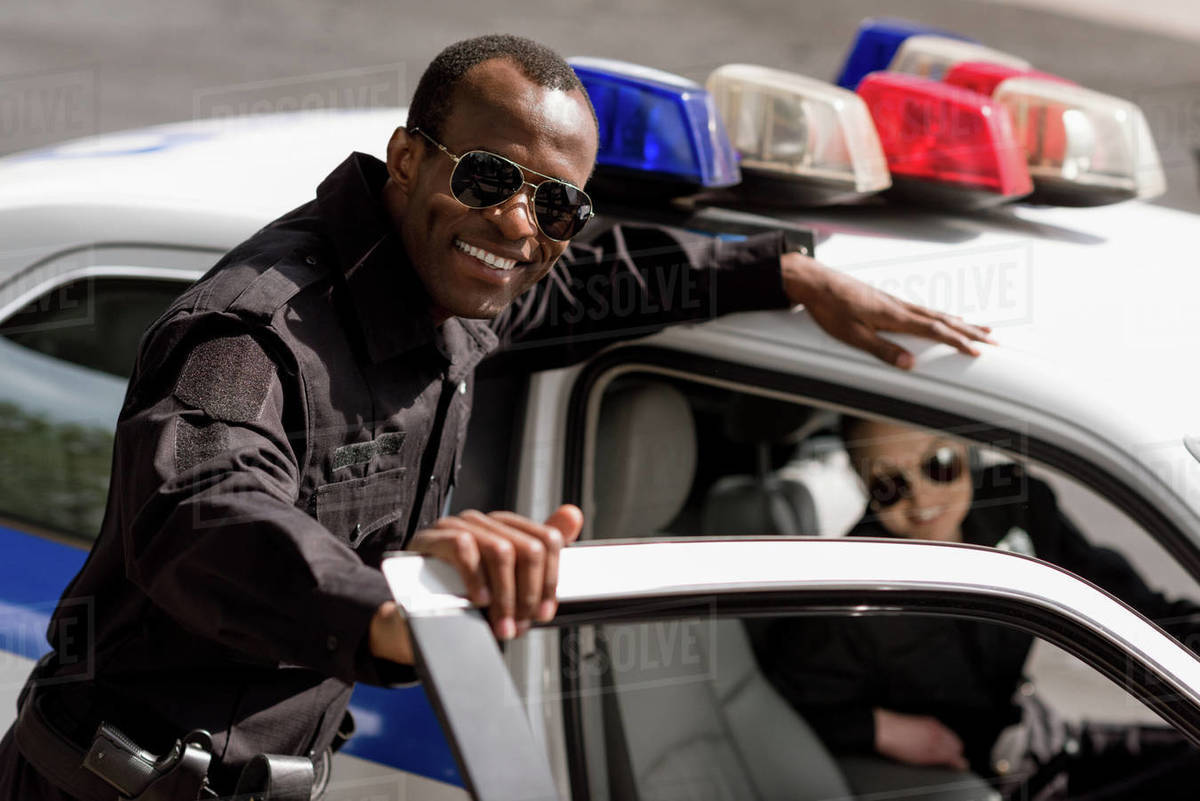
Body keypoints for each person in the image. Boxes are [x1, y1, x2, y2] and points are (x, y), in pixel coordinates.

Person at [0, 36, 994, 801]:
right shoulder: (258, 332)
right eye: (488, 177)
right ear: (405, 158)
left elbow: (601, 285)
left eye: (556, 206)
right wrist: (398, 615)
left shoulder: (460, 280)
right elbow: (203, 515)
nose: (519, 225)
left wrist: (783, 270)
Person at [756, 416, 1200, 800]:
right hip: (974, 778)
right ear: (862, 486)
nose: (922, 499)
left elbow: (1130, 608)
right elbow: (779, 701)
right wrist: (881, 728)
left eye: (939, 465)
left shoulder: (1017, 504)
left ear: (966, 451)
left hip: (1044, 737)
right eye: (889, 485)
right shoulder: (856, 587)